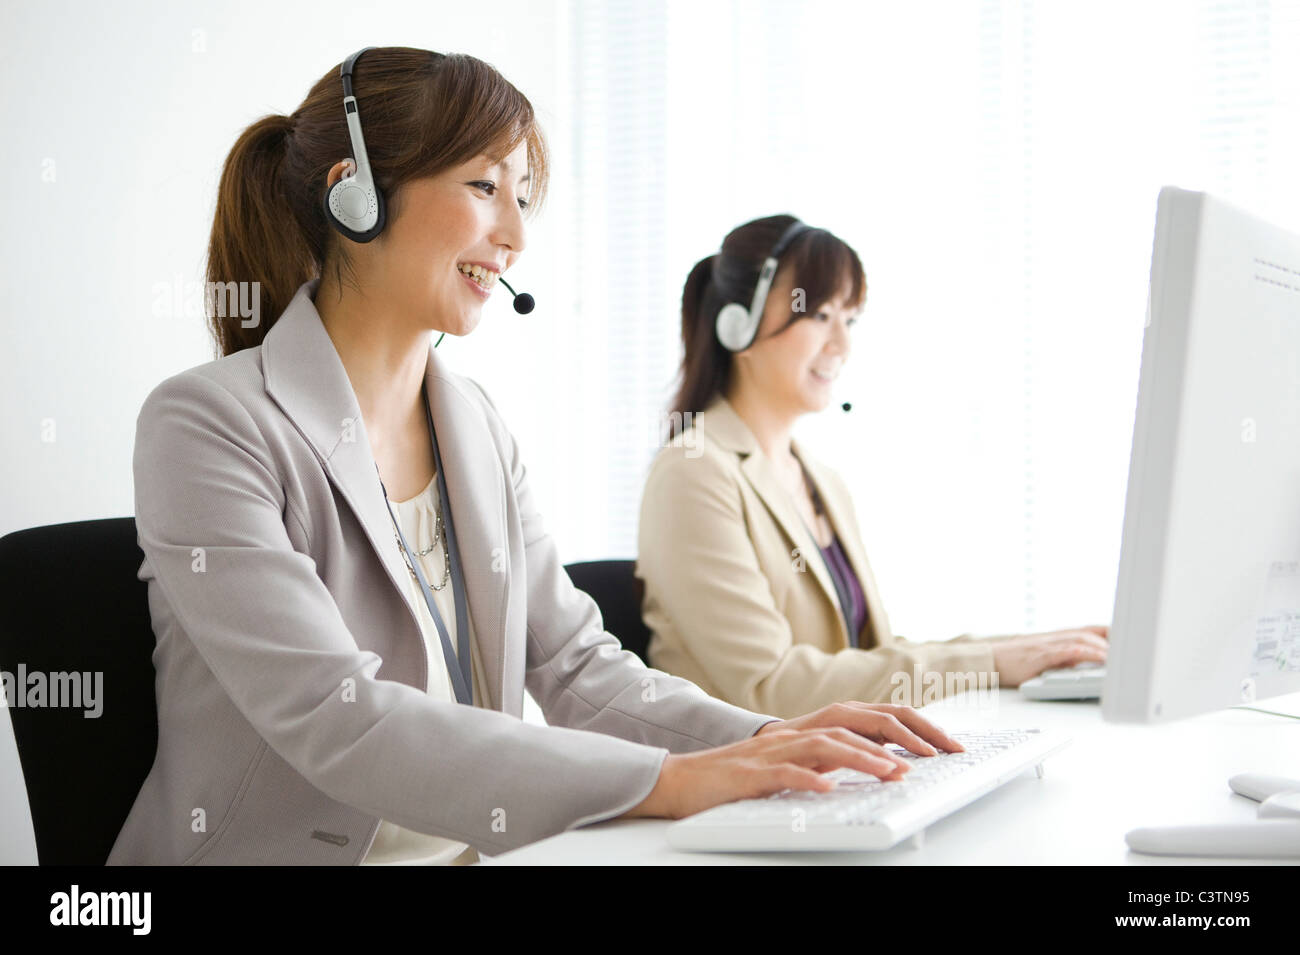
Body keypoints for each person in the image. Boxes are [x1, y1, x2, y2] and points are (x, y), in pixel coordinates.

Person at [107, 49, 963, 866]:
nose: (515, 233)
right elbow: (340, 718)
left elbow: (574, 666)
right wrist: (669, 781)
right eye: (485, 187)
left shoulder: (474, 425)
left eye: (522, 198)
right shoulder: (208, 422)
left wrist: (767, 740)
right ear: (356, 195)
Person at [635, 214, 1109, 720]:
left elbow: (864, 658)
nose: (842, 344)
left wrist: (1042, 650)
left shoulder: (822, 481)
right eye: (819, 314)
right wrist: (990, 663)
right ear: (738, 324)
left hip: (833, 770)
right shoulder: (694, 473)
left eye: (850, 319)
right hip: (735, 784)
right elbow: (771, 688)